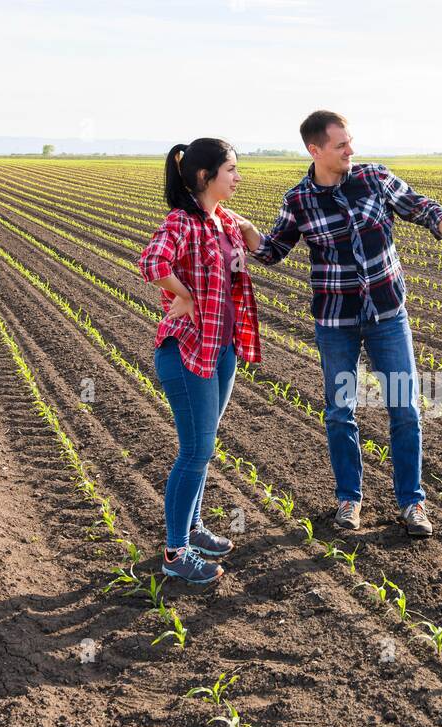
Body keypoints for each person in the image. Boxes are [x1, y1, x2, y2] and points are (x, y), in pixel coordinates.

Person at [236, 111, 442, 537]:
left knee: (405, 408)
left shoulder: (374, 179)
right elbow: (273, 252)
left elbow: (422, 207)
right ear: (315, 150)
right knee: (341, 412)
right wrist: (248, 229)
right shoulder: (299, 201)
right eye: (341, 145)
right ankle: (349, 500)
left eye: (350, 141)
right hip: (335, 321)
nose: (351, 150)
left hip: (386, 315)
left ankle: (412, 504)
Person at [138, 139, 262, 583]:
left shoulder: (223, 220)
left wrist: (248, 230)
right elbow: (152, 262)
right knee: (195, 450)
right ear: (205, 176)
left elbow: (261, 248)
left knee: (204, 447)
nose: (238, 176)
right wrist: (184, 295)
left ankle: (190, 528)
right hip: (187, 349)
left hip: (222, 346)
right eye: (231, 169)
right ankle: (175, 553)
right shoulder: (183, 221)